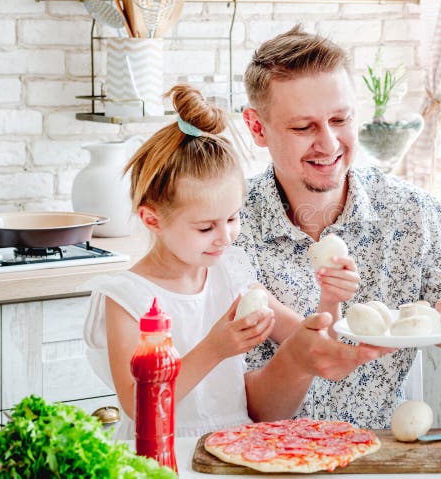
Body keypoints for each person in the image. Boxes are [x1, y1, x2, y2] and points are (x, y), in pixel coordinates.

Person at [236, 25, 441, 429]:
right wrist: (301, 357)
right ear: (257, 127)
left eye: (340, 119)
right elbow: (238, 408)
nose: (330, 143)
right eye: (304, 127)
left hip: (383, 461)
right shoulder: (225, 229)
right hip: (263, 463)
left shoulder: (412, 215)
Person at [82, 84, 387, 440]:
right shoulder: (126, 298)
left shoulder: (232, 273)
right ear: (152, 219)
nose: (226, 236)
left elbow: (308, 340)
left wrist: (331, 301)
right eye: (205, 227)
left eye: (232, 218)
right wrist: (216, 348)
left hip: (234, 449)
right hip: (160, 456)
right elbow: (140, 405)